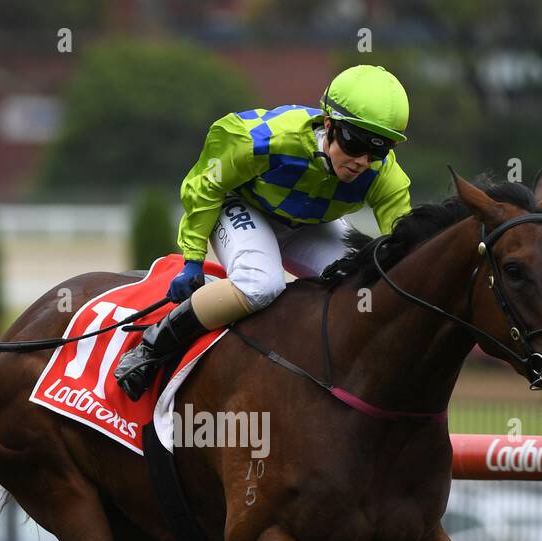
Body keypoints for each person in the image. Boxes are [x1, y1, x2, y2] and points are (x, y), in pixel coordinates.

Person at [114, 63, 413, 400]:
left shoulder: (385, 175)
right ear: (329, 124)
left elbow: (404, 243)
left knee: (360, 284)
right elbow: (205, 186)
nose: (363, 161)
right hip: (243, 205)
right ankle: (152, 347)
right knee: (261, 283)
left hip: (308, 224)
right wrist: (193, 259)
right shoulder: (263, 141)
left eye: (379, 150)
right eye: (355, 143)